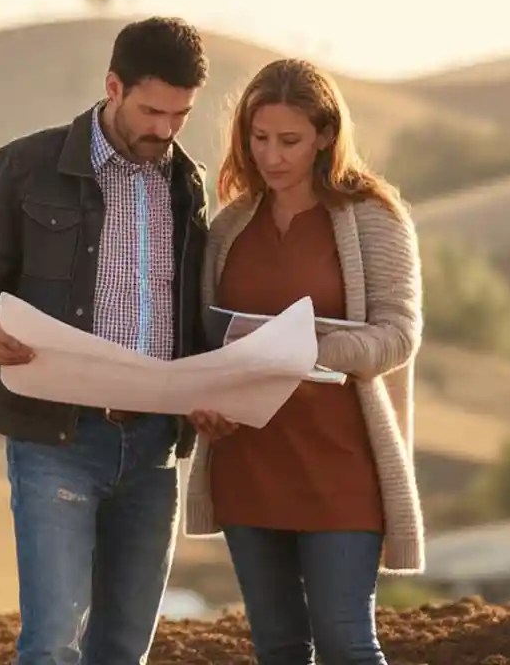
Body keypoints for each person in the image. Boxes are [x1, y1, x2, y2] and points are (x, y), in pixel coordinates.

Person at [0, 16, 211, 665]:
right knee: (53, 645)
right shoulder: (26, 167)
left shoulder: (186, 187)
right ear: (112, 86)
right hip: (56, 441)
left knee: (122, 653)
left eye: (181, 114)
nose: (165, 130)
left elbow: (193, 318)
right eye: (151, 110)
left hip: (154, 454)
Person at [183, 58, 426, 665]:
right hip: (248, 463)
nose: (271, 156)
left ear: (324, 135)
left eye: (289, 140)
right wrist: (206, 403)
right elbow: (205, 342)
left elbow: (397, 337)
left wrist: (299, 348)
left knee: (347, 643)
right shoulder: (230, 225)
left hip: (340, 463)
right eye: (258, 139)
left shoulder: (374, 216)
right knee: (280, 648)